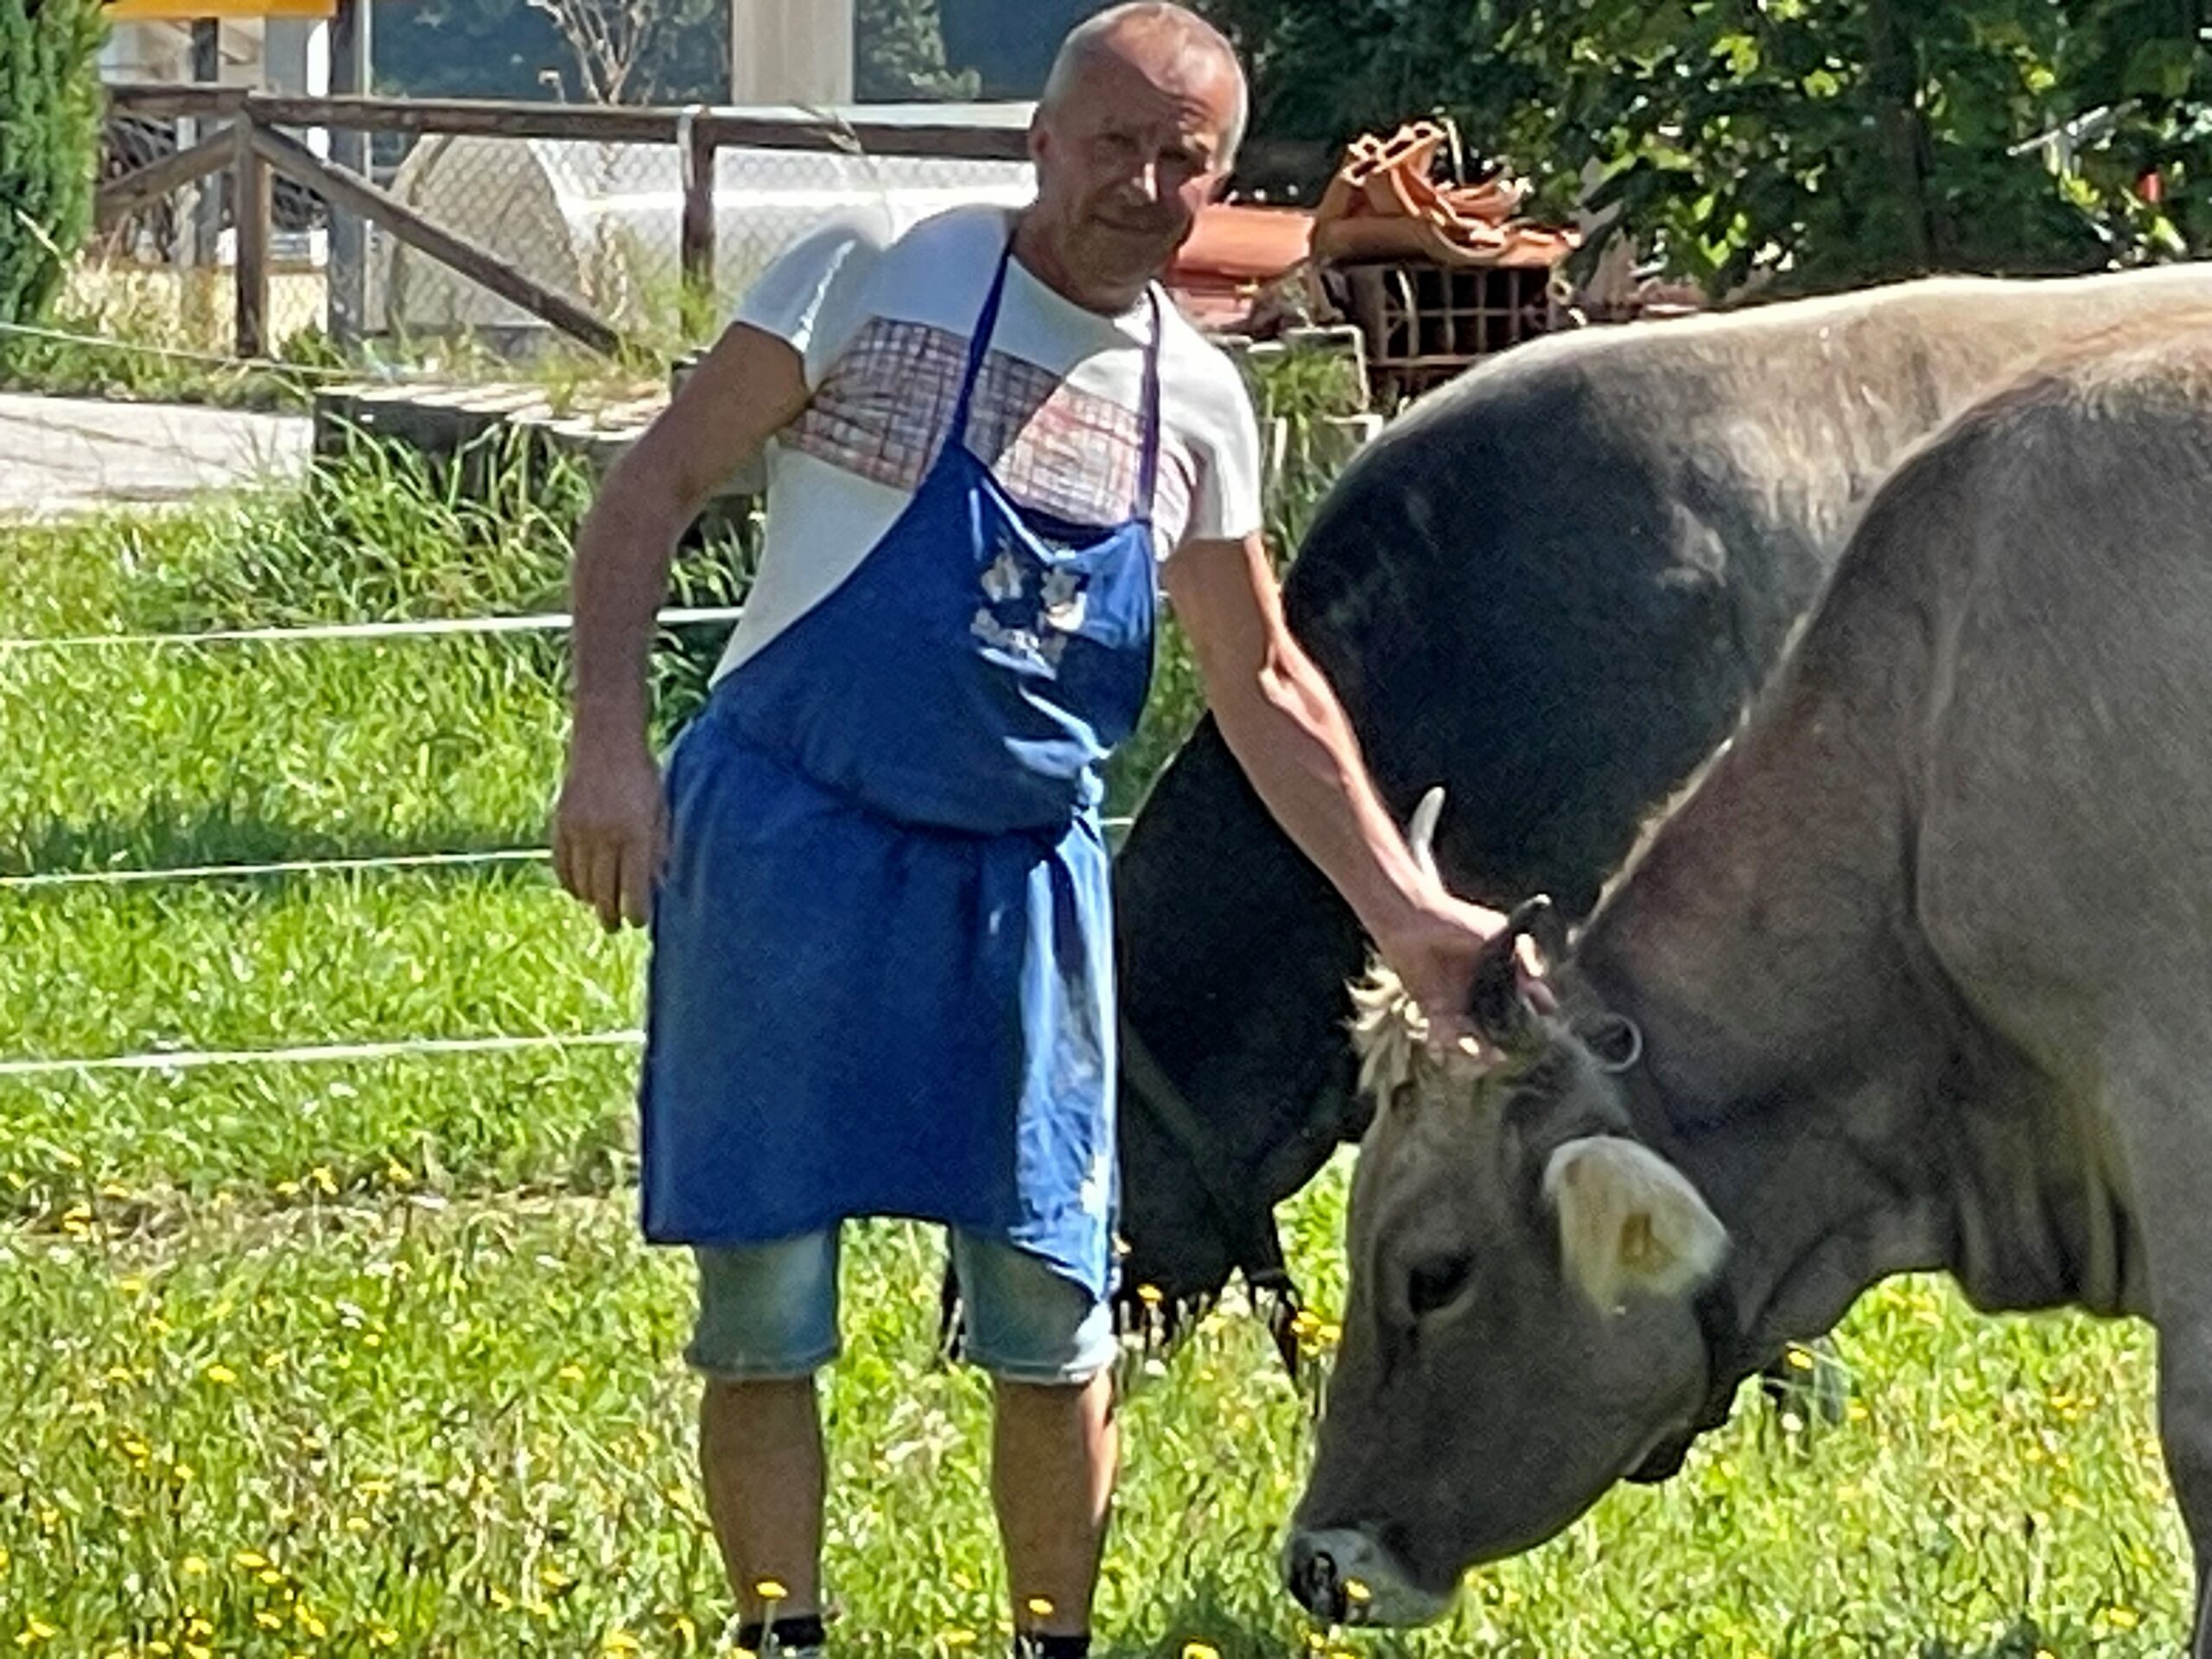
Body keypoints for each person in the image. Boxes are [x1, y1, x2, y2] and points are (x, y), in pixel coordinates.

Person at [551, 6, 1503, 1654]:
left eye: (1182, 158)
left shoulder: (1196, 402)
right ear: (1042, 142)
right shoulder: (867, 274)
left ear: (1218, 177)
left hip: (1022, 887)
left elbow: (1266, 681)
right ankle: (786, 1636)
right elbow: (647, 497)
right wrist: (607, 753)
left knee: (1055, 1311)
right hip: (789, 851)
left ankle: (1051, 1643)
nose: (1142, 183)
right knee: (766, 1304)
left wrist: (1410, 914)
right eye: (1115, 143)